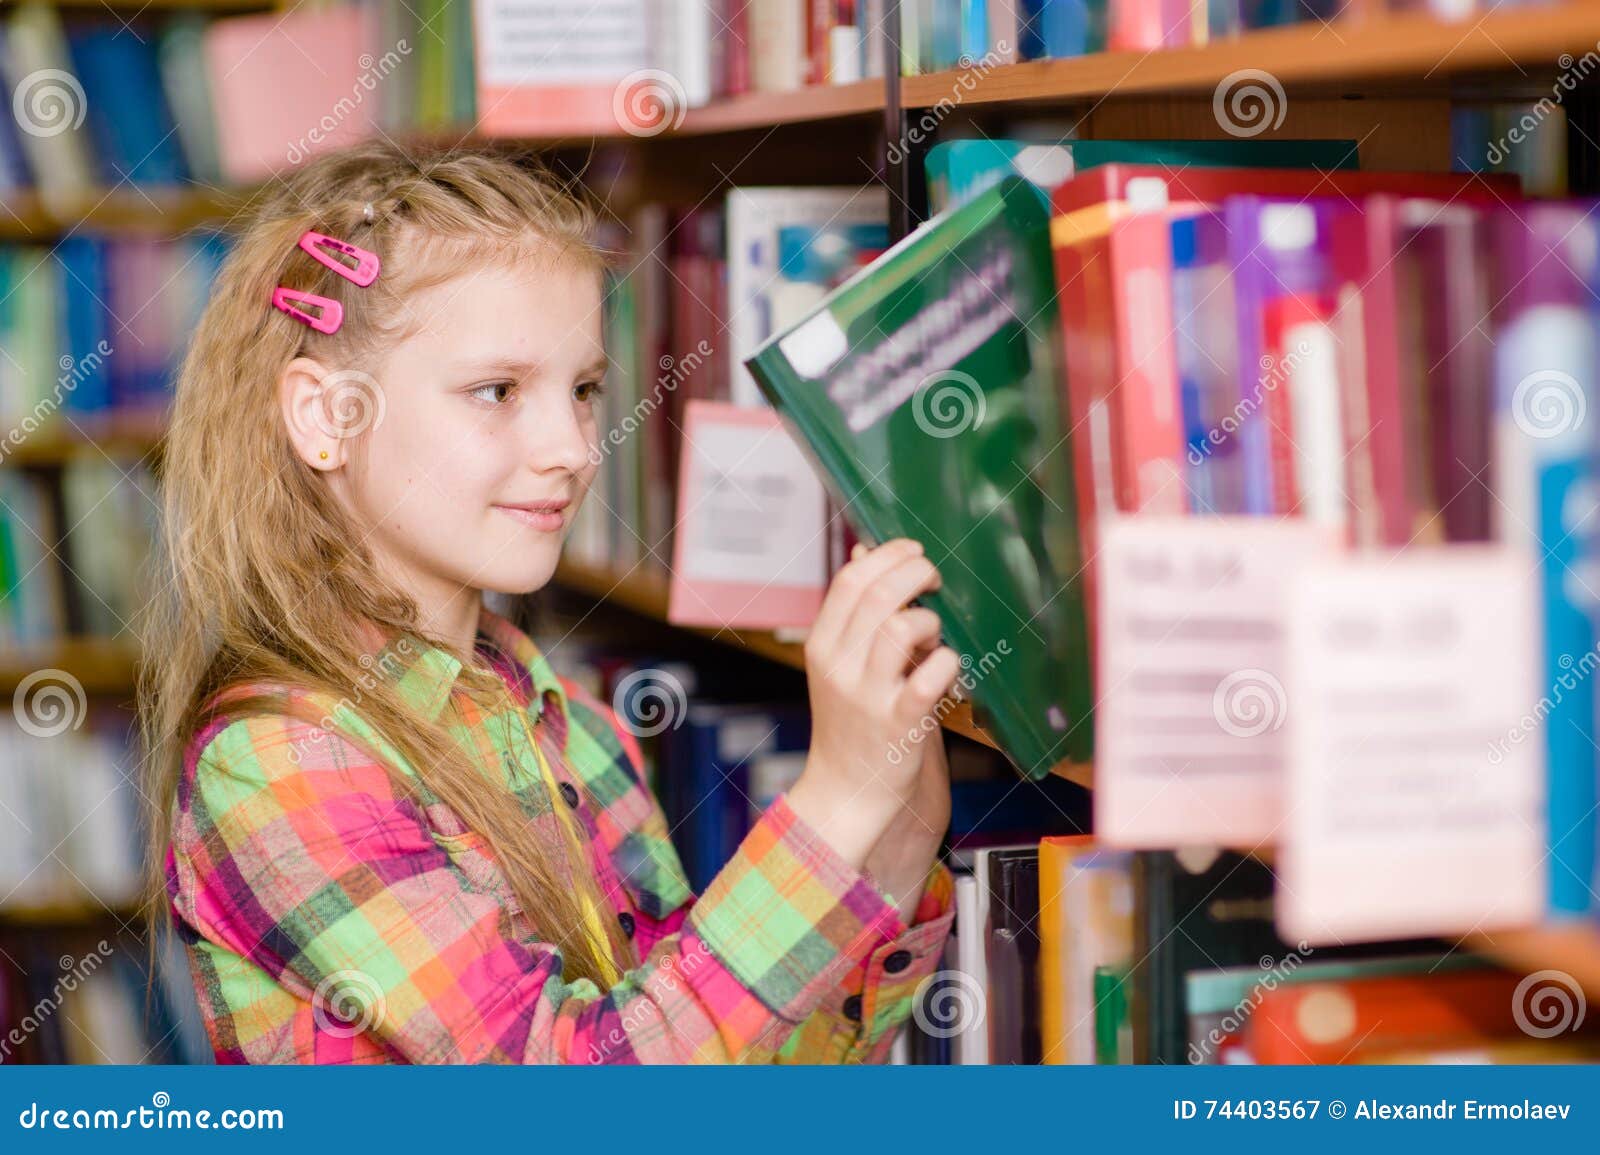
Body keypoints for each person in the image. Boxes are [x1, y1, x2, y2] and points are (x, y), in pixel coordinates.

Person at [137, 140, 961, 1064]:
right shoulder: (278, 762)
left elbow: (716, 1057)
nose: (572, 447)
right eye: (497, 391)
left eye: (583, 390)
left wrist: (896, 832)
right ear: (328, 416)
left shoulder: (582, 731)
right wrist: (835, 803)